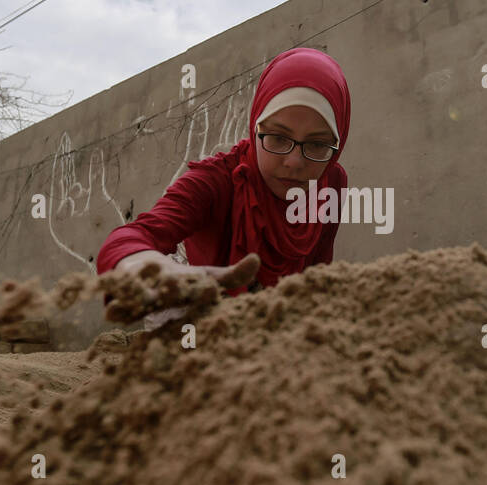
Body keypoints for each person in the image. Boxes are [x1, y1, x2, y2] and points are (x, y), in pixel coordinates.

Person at [97, 47, 351, 326]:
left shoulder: (332, 183)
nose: (294, 162)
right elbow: (129, 238)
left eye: (316, 144)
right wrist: (144, 268)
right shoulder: (216, 181)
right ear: (256, 126)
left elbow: (318, 272)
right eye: (278, 137)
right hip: (206, 321)